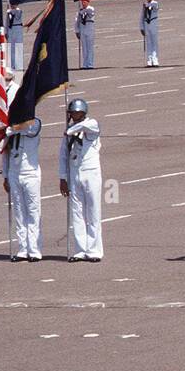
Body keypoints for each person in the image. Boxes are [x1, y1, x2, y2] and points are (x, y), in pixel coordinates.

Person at [59, 98, 103, 262]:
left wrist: (70, 130)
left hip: (90, 173)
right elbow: (63, 155)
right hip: (74, 172)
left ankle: (94, 250)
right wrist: (63, 177)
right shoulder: (69, 129)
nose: (74, 115)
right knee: (76, 213)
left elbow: (86, 126)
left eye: (77, 112)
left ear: (84, 113)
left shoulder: (91, 124)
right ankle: (80, 249)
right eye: (72, 113)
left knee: (92, 212)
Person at [3, 116, 43, 261]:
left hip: (30, 173)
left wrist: (11, 128)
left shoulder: (34, 123)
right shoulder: (12, 129)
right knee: (19, 212)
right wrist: (5, 176)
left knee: (33, 211)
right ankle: (22, 248)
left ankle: (34, 249)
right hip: (14, 173)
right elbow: (6, 154)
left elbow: (29, 129)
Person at [140, 0, 160, 66]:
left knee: (154, 43)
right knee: (148, 43)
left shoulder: (155, 3)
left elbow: (154, 7)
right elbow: (142, 16)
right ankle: (149, 60)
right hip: (146, 24)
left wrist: (146, 6)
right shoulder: (145, 5)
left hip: (153, 24)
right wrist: (141, 27)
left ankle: (155, 60)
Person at [75, 0, 96, 69]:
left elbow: (88, 11)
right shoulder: (80, 10)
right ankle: (85, 64)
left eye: (85, 2)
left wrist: (81, 11)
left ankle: (90, 64)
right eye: (82, 2)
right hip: (82, 29)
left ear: (88, 2)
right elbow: (77, 21)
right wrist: (77, 31)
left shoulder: (91, 9)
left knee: (90, 47)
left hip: (89, 29)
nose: (83, 3)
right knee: (84, 48)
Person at [6, 4, 24, 73]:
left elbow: (17, 16)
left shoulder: (19, 11)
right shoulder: (8, 12)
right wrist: (6, 31)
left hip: (17, 29)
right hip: (11, 29)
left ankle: (19, 65)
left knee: (18, 47)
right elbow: (7, 22)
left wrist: (11, 10)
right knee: (11, 48)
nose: (13, 5)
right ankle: (12, 65)